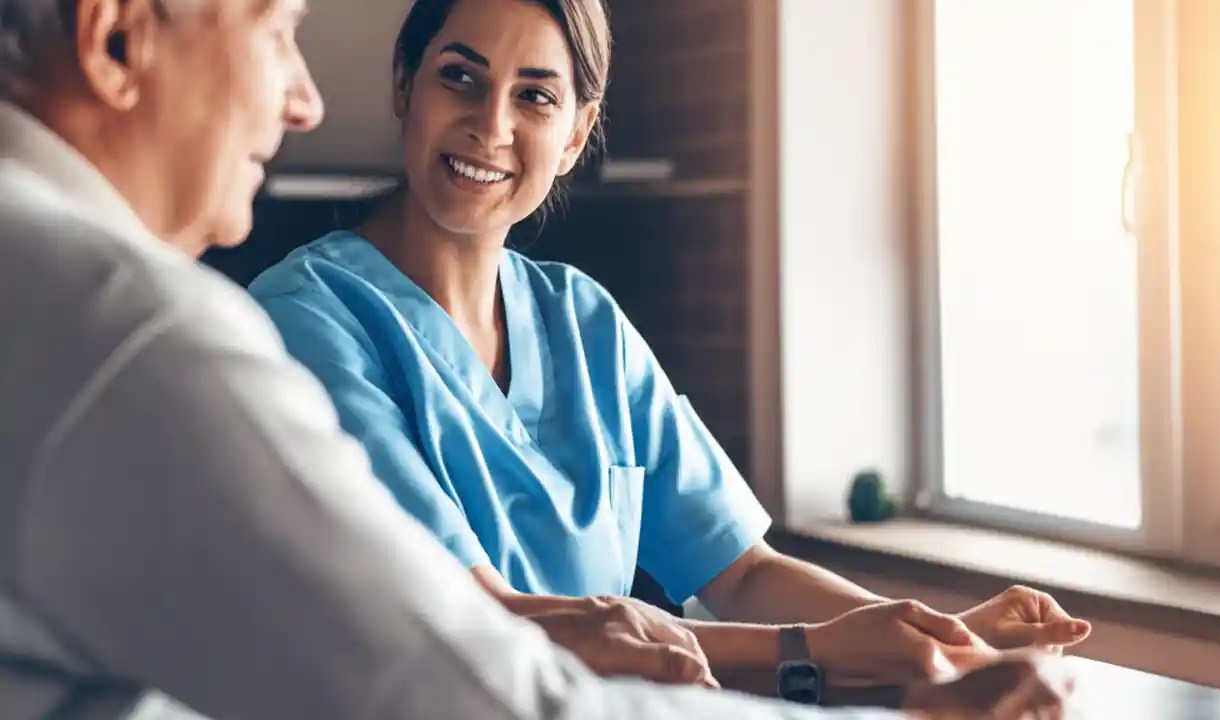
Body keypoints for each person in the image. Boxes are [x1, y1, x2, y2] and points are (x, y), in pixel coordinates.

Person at [0, 0, 1074, 718]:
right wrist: (827, 660)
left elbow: (735, 569)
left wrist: (925, 641)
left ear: (577, 132)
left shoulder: (580, 317)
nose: (303, 98)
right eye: (276, 27)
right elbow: (464, 655)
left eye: (536, 96)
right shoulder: (224, 328)